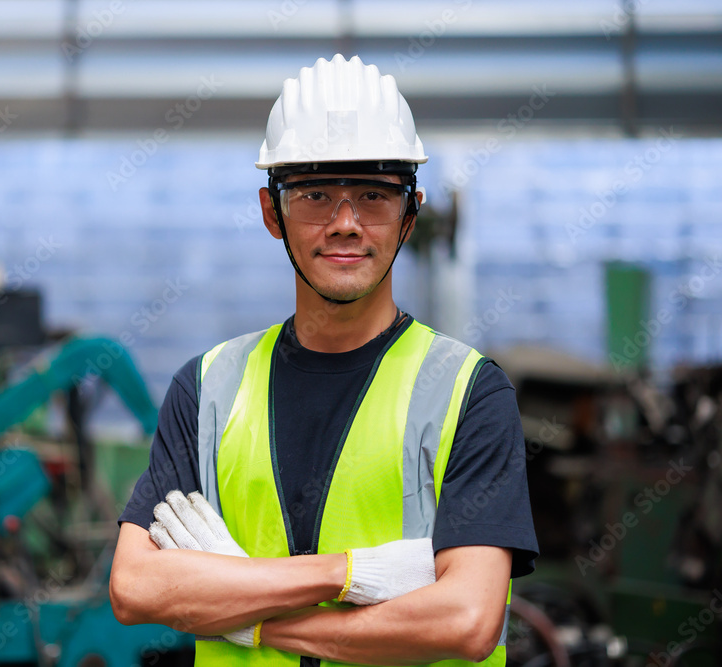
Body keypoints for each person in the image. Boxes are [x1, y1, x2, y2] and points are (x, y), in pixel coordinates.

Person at [110, 54, 538, 666]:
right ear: (271, 212)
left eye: (373, 195)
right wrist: (350, 572)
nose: (345, 223)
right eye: (314, 195)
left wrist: (245, 614)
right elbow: (134, 587)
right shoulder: (207, 389)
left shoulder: (469, 393)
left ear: (410, 215)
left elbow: (467, 619)